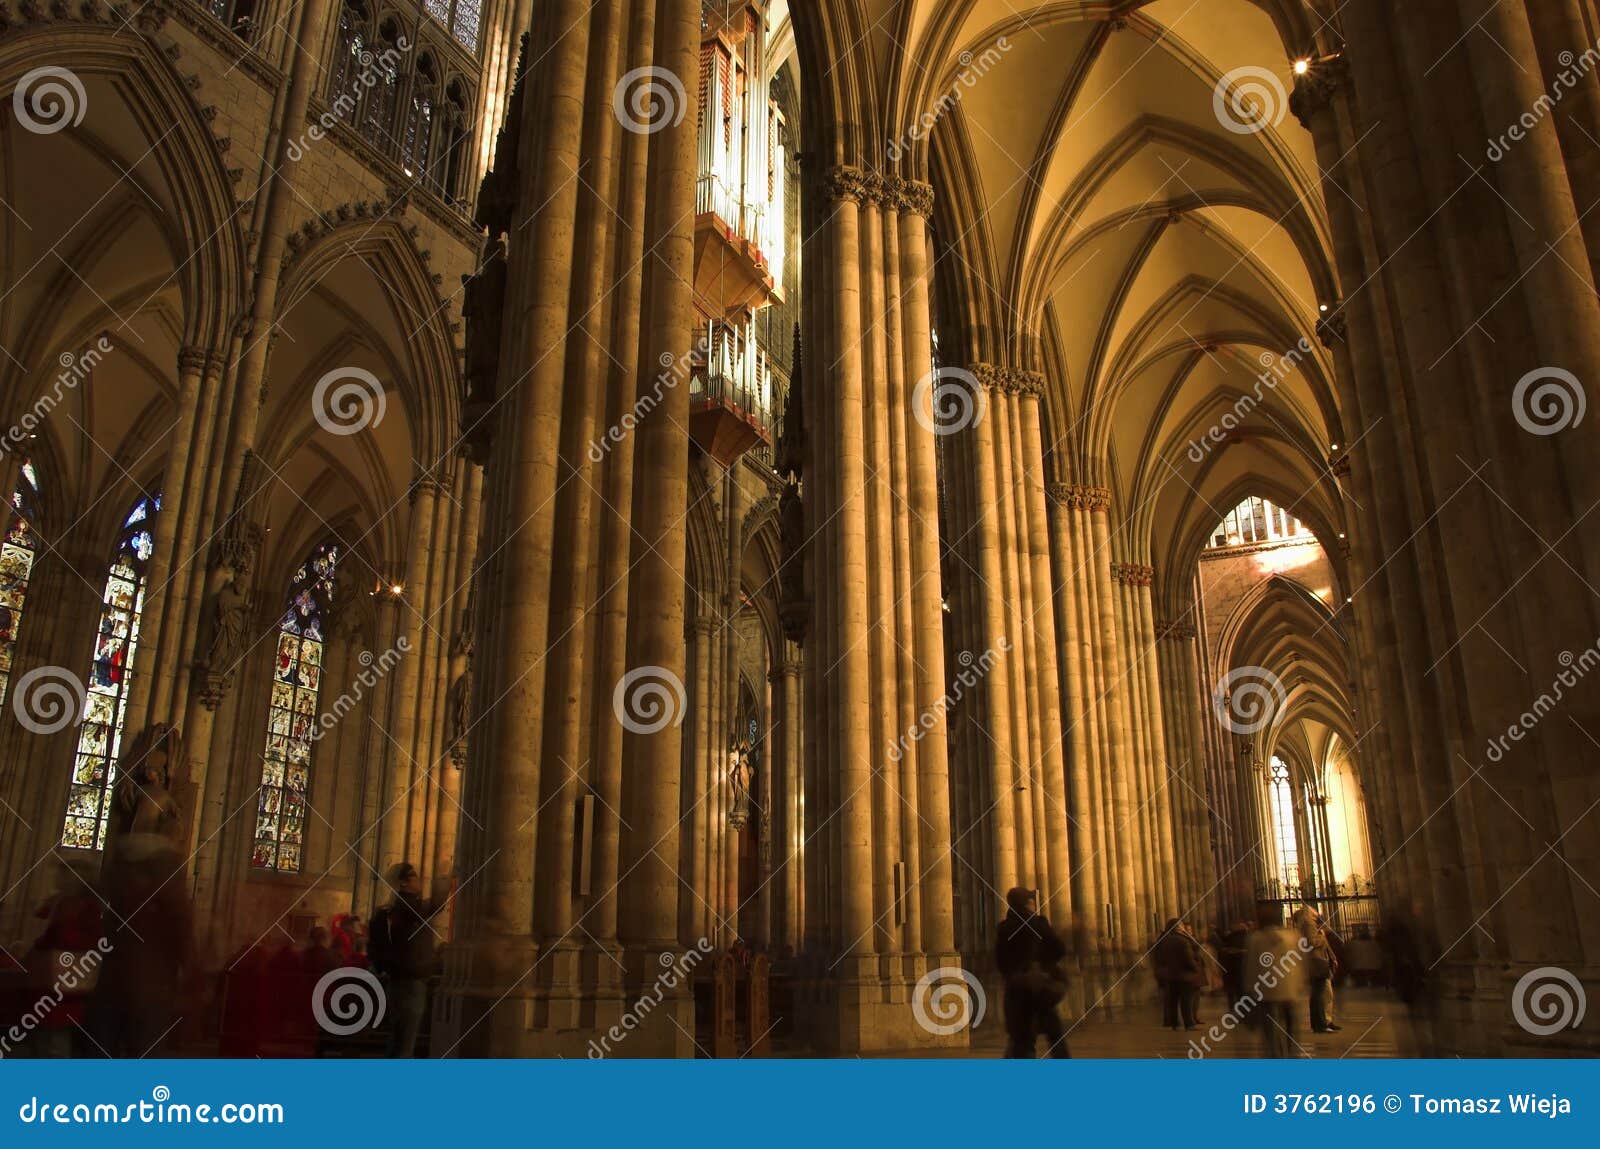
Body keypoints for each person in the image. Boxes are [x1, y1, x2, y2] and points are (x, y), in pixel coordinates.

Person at [370, 862, 443, 1057]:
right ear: (403, 883)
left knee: (400, 1042)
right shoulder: (405, 906)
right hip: (409, 982)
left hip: (403, 981)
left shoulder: (398, 907)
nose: (419, 880)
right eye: (414, 876)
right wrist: (445, 878)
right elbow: (434, 906)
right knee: (404, 1046)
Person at [994, 887, 1069, 1058]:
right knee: (1056, 1040)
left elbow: (1001, 963)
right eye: (1031, 900)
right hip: (1040, 991)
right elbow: (1059, 949)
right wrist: (1045, 966)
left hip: (1017, 994)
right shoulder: (1038, 924)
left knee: (1022, 1043)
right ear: (1027, 903)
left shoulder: (1004, 929)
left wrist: (1016, 976)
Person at [1248, 914, 1309, 1057]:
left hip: (1267, 990)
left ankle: (1274, 1053)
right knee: (1291, 1022)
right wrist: (1301, 982)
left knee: (1270, 1024)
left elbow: (1251, 966)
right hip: (1290, 988)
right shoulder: (1293, 936)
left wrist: (1251, 988)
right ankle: (1291, 1050)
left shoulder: (1256, 938)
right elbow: (1301, 961)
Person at [1294, 906, 1341, 1033]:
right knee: (1319, 994)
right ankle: (1321, 1023)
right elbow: (1313, 942)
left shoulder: (1312, 924)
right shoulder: (1309, 925)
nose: (1316, 913)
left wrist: (1332, 957)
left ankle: (1325, 1021)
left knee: (1325, 993)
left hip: (1319, 960)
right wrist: (1322, 937)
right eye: (1314, 911)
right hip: (1317, 961)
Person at [1153, 918, 1204, 1030]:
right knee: (1186, 1000)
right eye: (1181, 925)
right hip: (1184, 975)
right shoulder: (1182, 941)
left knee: (1173, 1000)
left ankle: (1174, 1023)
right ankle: (1189, 1023)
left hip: (1170, 975)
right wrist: (1196, 968)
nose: (1183, 927)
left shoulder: (1164, 941)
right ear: (1177, 927)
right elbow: (1188, 958)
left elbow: (1160, 958)